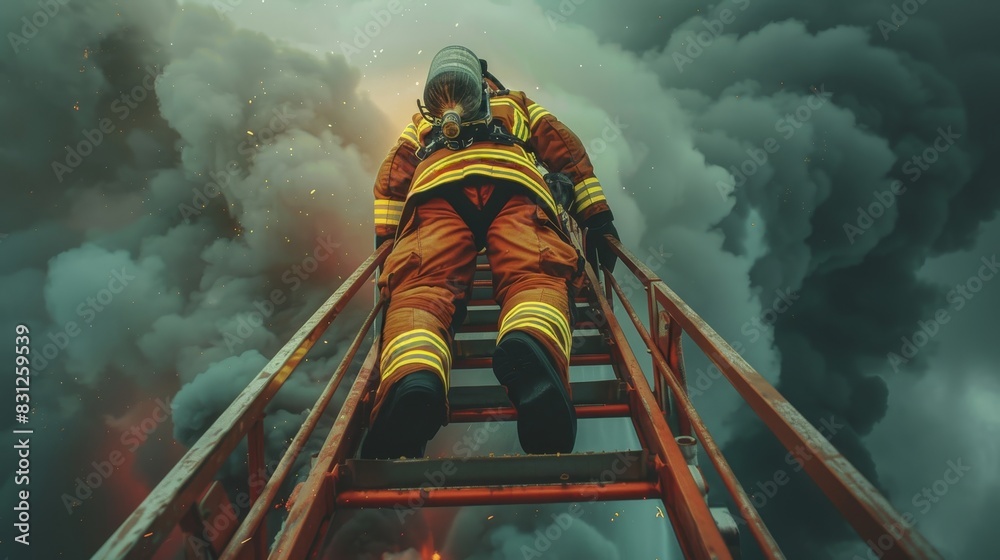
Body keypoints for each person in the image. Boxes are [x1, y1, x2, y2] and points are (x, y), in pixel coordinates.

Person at [361, 45, 620, 460]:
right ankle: (530, 342)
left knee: (422, 289)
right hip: (514, 184)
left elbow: (394, 174)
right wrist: (595, 215)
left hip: (436, 191)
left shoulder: (422, 121)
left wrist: (389, 243)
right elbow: (563, 148)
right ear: (488, 85)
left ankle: (415, 378)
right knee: (535, 271)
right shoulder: (517, 103)